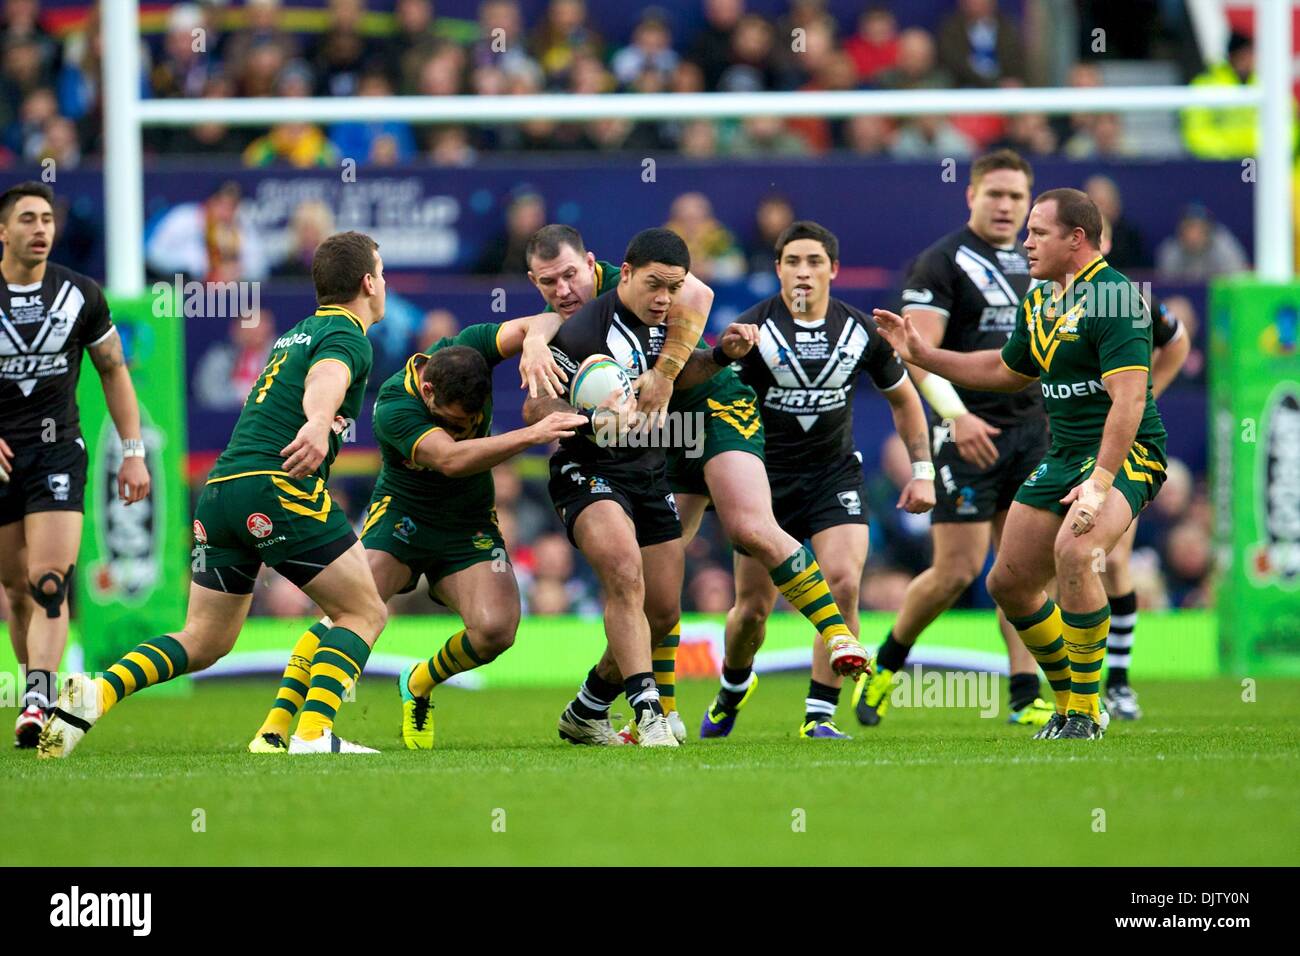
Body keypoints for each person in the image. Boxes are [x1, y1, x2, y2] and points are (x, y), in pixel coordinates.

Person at [39, 231, 390, 757]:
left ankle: (96, 691)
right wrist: (319, 422)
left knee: (205, 640)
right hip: (277, 488)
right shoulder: (347, 334)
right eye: (381, 273)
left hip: (222, 491)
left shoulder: (295, 333)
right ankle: (314, 735)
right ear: (367, 282)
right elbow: (329, 377)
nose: (383, 284)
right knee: (364, 612)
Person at [519, 225, 871, 744]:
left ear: (597, 265)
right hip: (659, 437)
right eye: (549, 283)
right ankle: (637, 707)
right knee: (656, 594)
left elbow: (699, 294)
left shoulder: (639, 278)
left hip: (714, 408)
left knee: (749, 526)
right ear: (534, 282)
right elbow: (533, 382)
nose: (564, 290)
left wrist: (664, 373)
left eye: (572, 275)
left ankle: (837, 634)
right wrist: (533, 340)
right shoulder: (570, 328)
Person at [874, 188, 1168, 740]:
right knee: (1007, 584)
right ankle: (1069, 702)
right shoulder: (1040, 299)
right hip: (1062, 456)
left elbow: (1129, 402)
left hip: (1125, 454)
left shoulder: (1116, 299)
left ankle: (1083, 711)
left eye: (1038, 232)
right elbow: (1008, 369)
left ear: (1076, 239)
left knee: (1078, 553)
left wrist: (1099, 487)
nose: (1025, 242)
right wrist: (925, 355)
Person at [247, 317, 585, 752]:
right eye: (454, 422)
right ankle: (278, 728)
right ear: (428, 393)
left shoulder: (468, 349)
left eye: (472, 422)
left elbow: (547, 318)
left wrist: (535, 342)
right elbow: (450, 458)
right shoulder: (393, 404)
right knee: (349, 610)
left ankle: (418, 682)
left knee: (496, 631)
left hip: (468, 525)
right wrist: (533, 435)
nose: (464, 429)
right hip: (401, 522)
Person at [709, 221, 935, 739]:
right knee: (752, 613)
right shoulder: (751, 331)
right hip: (762, 483)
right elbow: (714, 403)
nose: (803, 272)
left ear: (834, 268)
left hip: (834, 474)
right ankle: (733, 687)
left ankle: (819, 716)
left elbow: (904, 399)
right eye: (793, 262)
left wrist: (922, 471)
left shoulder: (861, 331)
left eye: (814, 261)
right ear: (778, 270)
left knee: (845, 583)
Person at [853, 149, 1054, 731]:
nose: (1006, 206)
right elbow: (916, 354)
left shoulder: (1038, 260)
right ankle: (887, 664)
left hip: (1033, 431)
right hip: (965, 432)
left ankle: (1024, 694)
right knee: (957, 570)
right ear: (971, 195)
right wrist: (956, 417)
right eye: (995, 194)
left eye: (1017, 196)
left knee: (1022, 573)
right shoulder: (940, 263)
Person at [0, 182, 152, 748]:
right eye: (27, 220)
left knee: (47, 583)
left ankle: (36, 702)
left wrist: (133, 453)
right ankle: (35, 687)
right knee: (15, 588)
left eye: (47, 219)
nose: (41, 229)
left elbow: (114, 369)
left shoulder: (79, 295)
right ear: (3, 232)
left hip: (58, 451)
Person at [1098, 221, 1191, 719]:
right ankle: (1054, 686)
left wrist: (1143, 394)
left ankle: (1116, 680)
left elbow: (1176, 340)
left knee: (1110, 562)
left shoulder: (1126, 298)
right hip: (1058, 441)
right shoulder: (1040, 301)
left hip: (1116, 448)